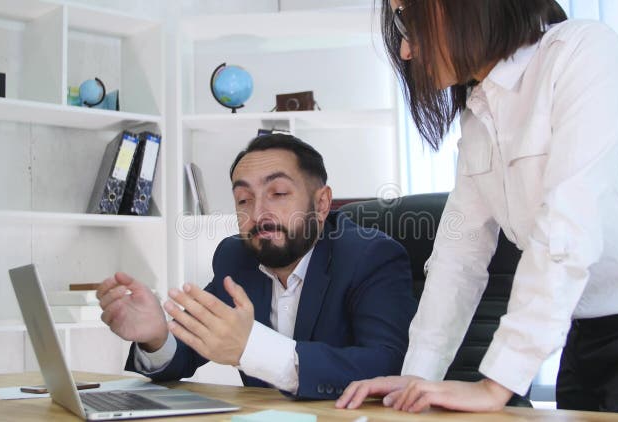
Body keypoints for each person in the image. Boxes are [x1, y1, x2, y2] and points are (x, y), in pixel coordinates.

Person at [336, 0, 618, 418]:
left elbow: (566, 226)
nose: (406, 51)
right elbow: (458, 260)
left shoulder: (582, 52)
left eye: (408, 20)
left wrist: (495, 386)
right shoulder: (479, 115)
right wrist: (417, 377)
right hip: (586, 337)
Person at [97, 133, 417, 399]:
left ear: (321, 204)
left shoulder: (371, 257)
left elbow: (388, 366)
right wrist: (156, 336)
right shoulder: (236, 258)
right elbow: (191, 348)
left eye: (277, 193)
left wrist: (254, 348)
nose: (259, 212)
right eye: (243, 200)